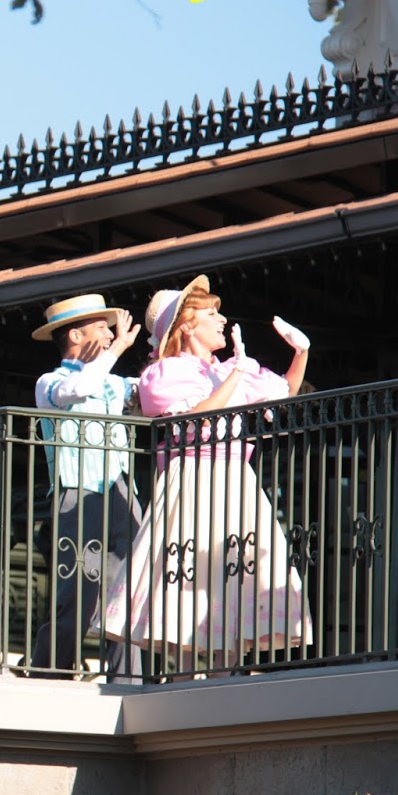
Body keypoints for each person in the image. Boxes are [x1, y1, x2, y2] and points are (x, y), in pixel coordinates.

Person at [100, 275, 314, 674]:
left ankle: (225, 672)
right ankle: (183, 675)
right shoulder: (163, 374)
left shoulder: (231, 368)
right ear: (186, 325)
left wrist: (301, 352)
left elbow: (282, 393)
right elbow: (198, 418)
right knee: (186, 574)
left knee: (237, 571)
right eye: (211, 312)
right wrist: (235, 374)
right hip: (193, 478)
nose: (221, 319)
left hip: (235, 479)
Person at [30, 293, 144, 680]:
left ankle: (126, 678)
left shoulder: (113, 380)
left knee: (129, 590)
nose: (112, 335)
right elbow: (77, 390)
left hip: (120, 491)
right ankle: (49, 673)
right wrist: (116, 354)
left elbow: (149, 395)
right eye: (102, 328)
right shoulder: (51, 382)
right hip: (79, 494)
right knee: (79, 591)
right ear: (76, 336)